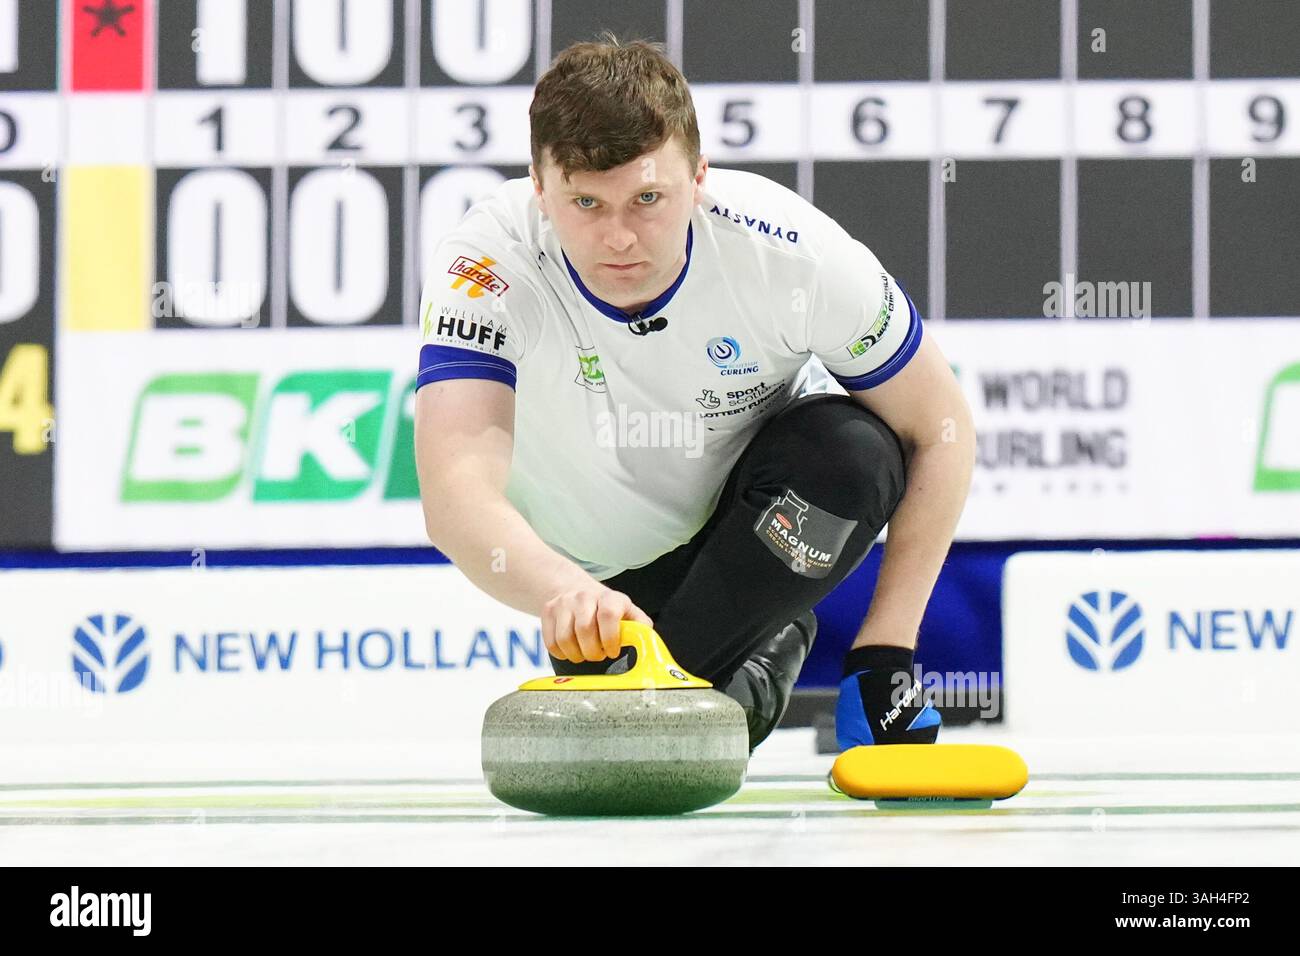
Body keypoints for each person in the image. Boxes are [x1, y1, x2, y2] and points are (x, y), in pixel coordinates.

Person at [413, 32, 975, 754]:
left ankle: (744, 644)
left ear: (700, 175)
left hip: (758, 524)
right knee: (625, 749)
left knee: (854, 453)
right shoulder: (486, 265)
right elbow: (456, 492)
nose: (619, 237)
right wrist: (565, 592)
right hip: (606, 589)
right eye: (586, 202)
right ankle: (744, 659)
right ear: (538, 189)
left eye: (648, 198)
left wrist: (884, 656)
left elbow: (942, 427)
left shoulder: (792, 253)